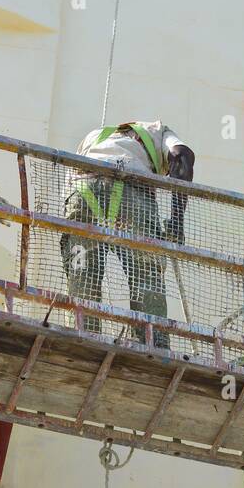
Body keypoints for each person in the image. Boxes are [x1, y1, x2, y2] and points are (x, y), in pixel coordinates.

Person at [60, 120, 194, 347]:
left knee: (82, 273)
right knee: (146, 274)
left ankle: (82, 340)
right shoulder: (159, 130)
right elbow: (181, 156)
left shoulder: (94, 136)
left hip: (81, 192)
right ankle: (153, 345)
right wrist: (177, 223)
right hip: (130, 192)